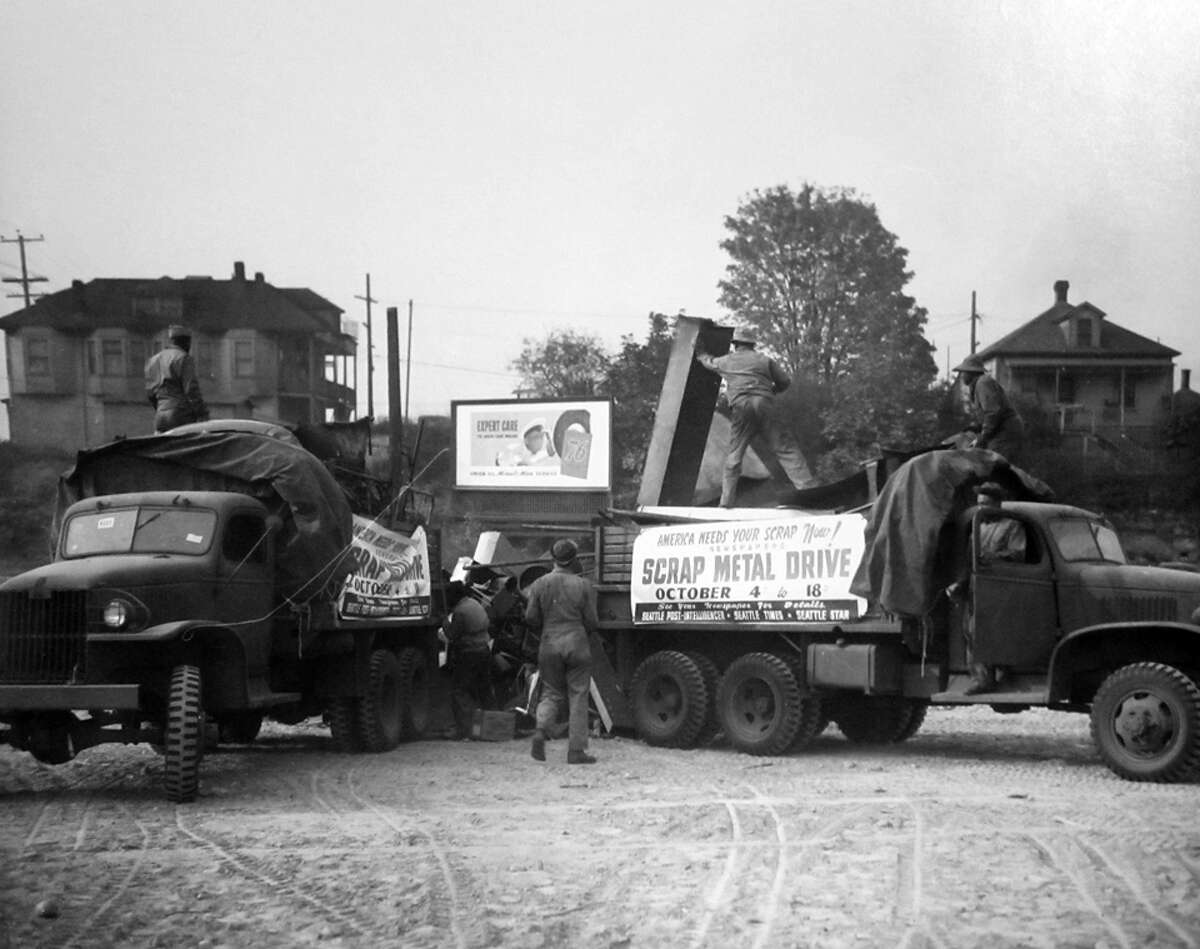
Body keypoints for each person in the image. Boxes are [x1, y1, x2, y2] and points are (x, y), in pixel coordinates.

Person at [696, 329, 814, 508]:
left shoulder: (726, 361)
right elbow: (785, 382)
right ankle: (808, 491)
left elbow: (709, 363)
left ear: (735, 345)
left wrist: (700, 353)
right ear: (752, 344)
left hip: (741, 407)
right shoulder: (765, 360)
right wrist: (770, 392)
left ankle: (726, 503)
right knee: (785, 449)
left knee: (735, 454)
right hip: (765, 404)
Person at [524, 538, 599, 764]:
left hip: (549, 643)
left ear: (553, 558)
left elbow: (530, 618)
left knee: (550, 692)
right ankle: (576, 751)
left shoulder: (539, 584)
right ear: (574, 559)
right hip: (576, 643)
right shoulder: (583, 585)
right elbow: (592, 621)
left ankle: (541, 730)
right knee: (578, 695)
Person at [441, 581, 495, 739]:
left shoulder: (460, 611)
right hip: (484, 650)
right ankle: (494, 728)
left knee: (460, 691)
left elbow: (452, 635)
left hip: (470, 653)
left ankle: (465, 730)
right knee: (484, 689)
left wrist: (444, 621)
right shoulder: (474, 603)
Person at [954, 354, 1024, 465]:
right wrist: (978, 427)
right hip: (1001, 429)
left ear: (971, 373)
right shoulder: (978, 384)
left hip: (1005, 430)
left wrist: (983, 436)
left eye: (964, 372)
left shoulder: (983, 383)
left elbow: (992, 412)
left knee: (994, 464)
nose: (962, 376)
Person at [144, 325, 210, 432]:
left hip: (160, 416)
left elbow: (150, 394)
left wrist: (161, 408)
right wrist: (203, 414)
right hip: (180, 414)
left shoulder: (153, 361)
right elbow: (191, 390)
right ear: (187, 342)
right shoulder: (183, 358)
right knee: (188, 446)